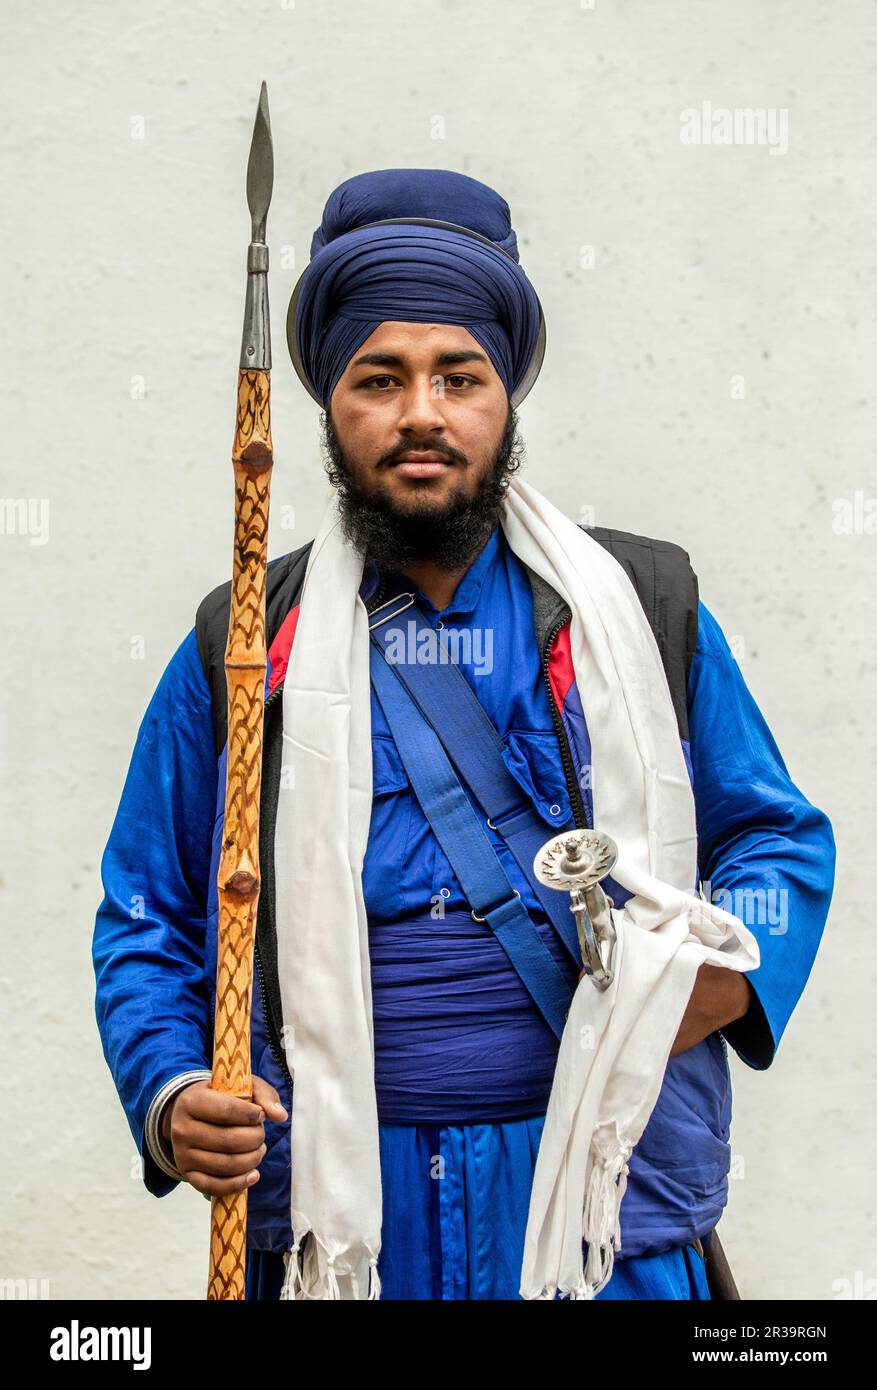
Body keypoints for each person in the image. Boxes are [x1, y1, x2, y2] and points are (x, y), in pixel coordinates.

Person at [92, 168, 836, 1301]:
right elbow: (147, 912)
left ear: (506, 401)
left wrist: (720, 978)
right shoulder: (245, 645)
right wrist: (171, 1089)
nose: (421, 414)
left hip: (602, 1205)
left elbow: (777, 845)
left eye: (459, 377)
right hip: (349, 1221)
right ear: (331, 407)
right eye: (378, 379)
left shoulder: (643, 610)